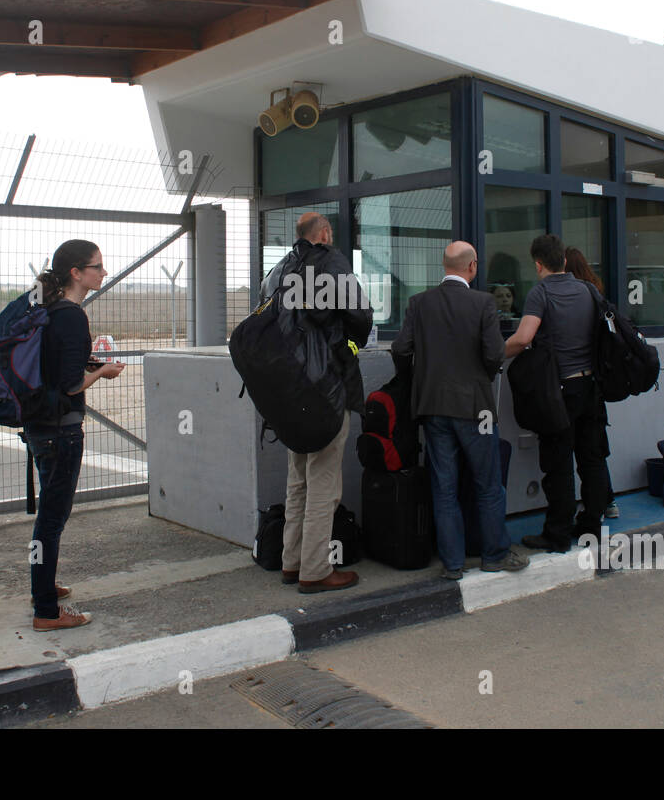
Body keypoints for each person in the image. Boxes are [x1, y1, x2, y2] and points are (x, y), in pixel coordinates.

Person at [393, 242, 527, 579]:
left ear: (444, 265)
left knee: (444, 487)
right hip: (476, 410)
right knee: (488, 484)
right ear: (472, 266)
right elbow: (495, 356)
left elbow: (400, 349)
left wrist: (418, 380)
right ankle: (494, 554)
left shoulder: (419, 303)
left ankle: (452, 564)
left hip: (433, 407)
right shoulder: (483, 303)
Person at [263, 212, 372, 593]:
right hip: (326, 388)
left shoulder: (280, 268)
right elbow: (361, 315)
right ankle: (316, 571)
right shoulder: (332, 262)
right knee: (324, 481)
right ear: (324, 234)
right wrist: (348, 346)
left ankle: (292, 563)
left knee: (299, 479)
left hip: (288, 391)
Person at [26, 240, 124, 631]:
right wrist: (102, 372)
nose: (104, 272)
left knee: (49, 517)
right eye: (97, 267)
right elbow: (70, 385)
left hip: (39, 426)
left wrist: (90, 364)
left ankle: (42, 587)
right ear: (76, 273)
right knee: (51, 520)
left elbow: (54, 366)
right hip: (61, 430)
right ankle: (46, 611)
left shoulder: (46, 308)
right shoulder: (71, 316)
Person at [503, 234, 613, 551]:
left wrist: (492, 354)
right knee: (592, 460)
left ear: (538, 264)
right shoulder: (588, 290)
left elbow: (523, 338)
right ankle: (591, 527)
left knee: (558, 463)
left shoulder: (541, 293)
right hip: (591, 387)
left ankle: (557, 533)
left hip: (559, 391)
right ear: (563, 260)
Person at [564, 247, 618, 519]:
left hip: (572, 382)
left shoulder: (572, 296)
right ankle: (605, 503)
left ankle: (596, 505)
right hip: (595, 380)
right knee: (595, 450)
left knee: (578, 451)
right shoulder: (595, 293)